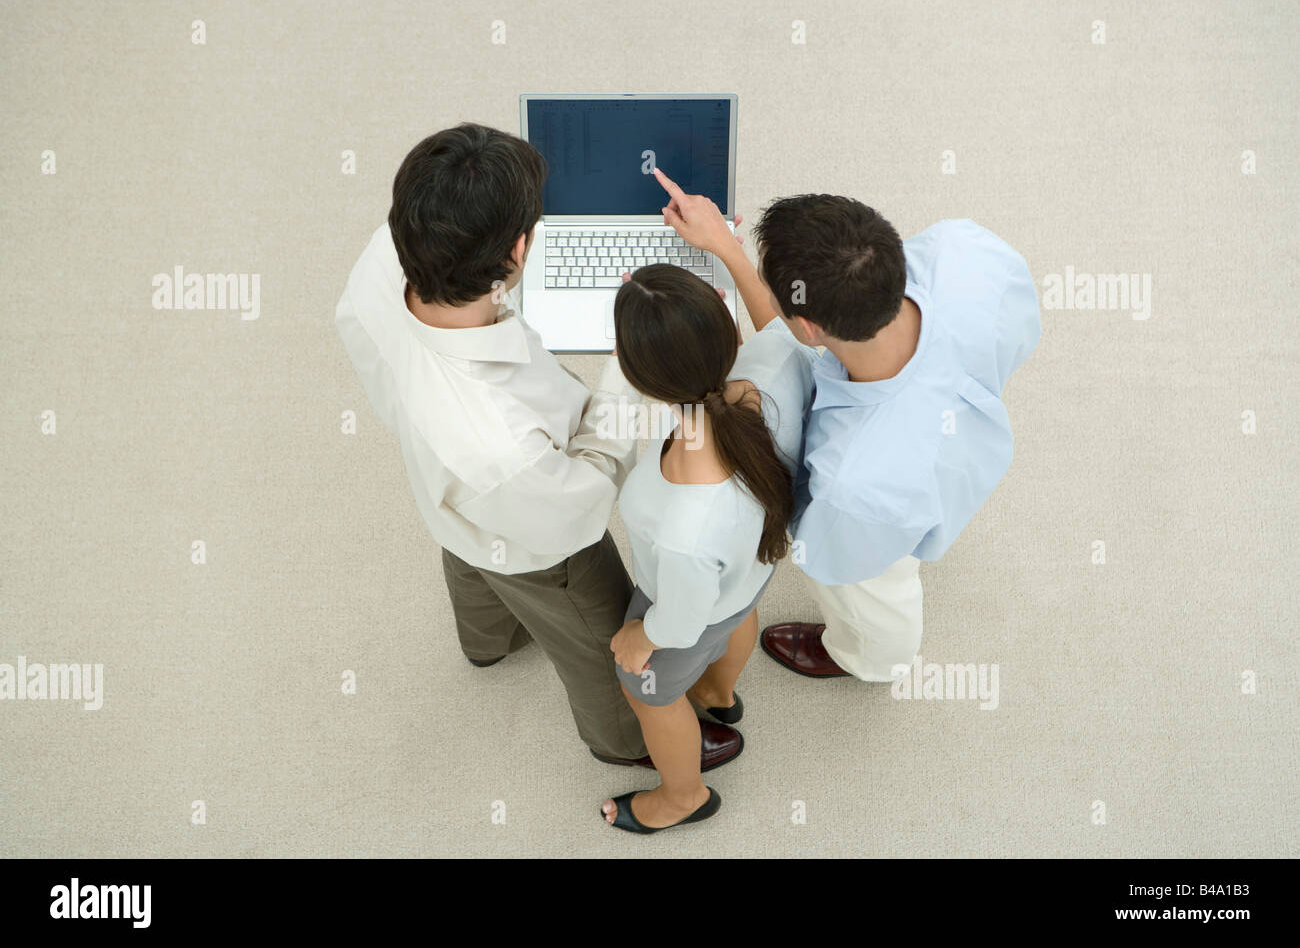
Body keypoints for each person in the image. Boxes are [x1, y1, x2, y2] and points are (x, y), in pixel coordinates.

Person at [334, 126, 743, 774]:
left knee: (469, 559)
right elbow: (580, 502)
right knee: (593, 637)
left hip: (448, 498)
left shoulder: (379, 265)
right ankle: (625, 739)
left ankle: (486, 645)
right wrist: (626, 363)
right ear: (518, 252)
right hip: (541, 545)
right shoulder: (501, 446)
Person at [651, 169, 1040, 684]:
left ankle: (868, 660)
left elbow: (828, 558)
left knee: (875, 596)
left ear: (809, 327)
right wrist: (727, 247)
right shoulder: (962, 248)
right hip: (961, 439)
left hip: (886, 517)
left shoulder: (850, 485)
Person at [598, 262, 813, 834]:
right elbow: (774, 328)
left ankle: (683, 796)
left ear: (641, 380)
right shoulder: (778, 363)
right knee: (732, 620)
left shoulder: (682, 527)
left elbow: (684, 620)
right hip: (746, 577)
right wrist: (725, 250)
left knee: (645, 691)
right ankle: (719, 693)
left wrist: (643, 635)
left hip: (687, 607)